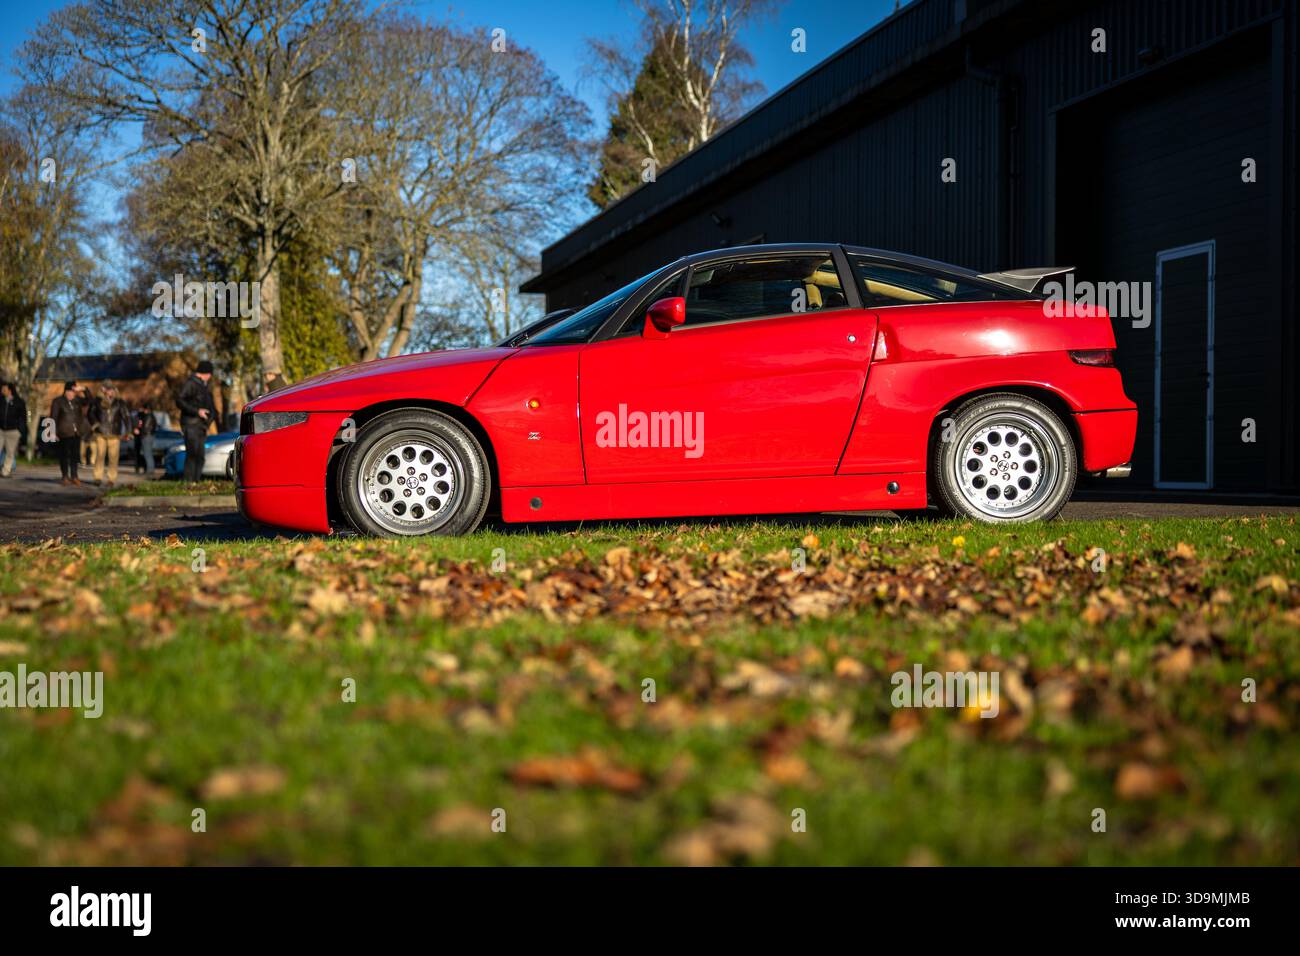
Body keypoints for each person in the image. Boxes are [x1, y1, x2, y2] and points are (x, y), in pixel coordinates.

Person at [177, 360, 218, 482]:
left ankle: (196, 481)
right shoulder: (191, 383)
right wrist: (197, 411)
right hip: (191, 424)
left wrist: (210, 417)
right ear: (204, 372)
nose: (210, 376)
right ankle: (188, 482)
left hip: (201, 425)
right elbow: (179, 400)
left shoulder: (204, 386)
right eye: (209, 373)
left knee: (200, 456)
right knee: (192, 454)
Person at [94, 384, 133, 487]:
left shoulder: (119, 402)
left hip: (114, 433)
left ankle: (111, 478)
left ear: (115, 391)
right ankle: (97, 477)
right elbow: (91, 413)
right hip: (101, 432)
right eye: (108, 390)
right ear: (104, 391)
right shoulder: (98, 401)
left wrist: (129, 431)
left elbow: (126, 416)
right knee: (100, 455)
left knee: (113, 457)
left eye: (112, 390)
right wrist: (95, 424)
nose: (110, 392)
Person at [50, 380, 87, 485]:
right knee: (64, 455)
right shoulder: (58, 401)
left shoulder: (77, 401)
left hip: (76, 433)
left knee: (75, 456)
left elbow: (89, 401)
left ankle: (74, 476)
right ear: (66, 391)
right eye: (70, 391)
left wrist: (84, 389)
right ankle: (65, 476)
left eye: (74, 392)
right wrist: (53, 432)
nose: (72, 394)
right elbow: (53, 417)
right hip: (63, 432)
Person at [1, 381, 26, 477]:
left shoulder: (19, 402)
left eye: (4, 389)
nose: (2, 391)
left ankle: (5, 472)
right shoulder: (1, 400)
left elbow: (24, 416)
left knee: (10, 453)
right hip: (0, 430)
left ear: (10, 390)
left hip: (13, 431)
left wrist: (20, 430)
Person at [133, 403, 158, 476]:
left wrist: (140, 432)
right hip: (149, 436)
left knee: (147, 454)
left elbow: (145, 428)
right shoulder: (151, 416)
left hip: (146, 436)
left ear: (146, 409)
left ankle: (150, 470)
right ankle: (149, 469)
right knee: (147, 453)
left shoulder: (148, 416)